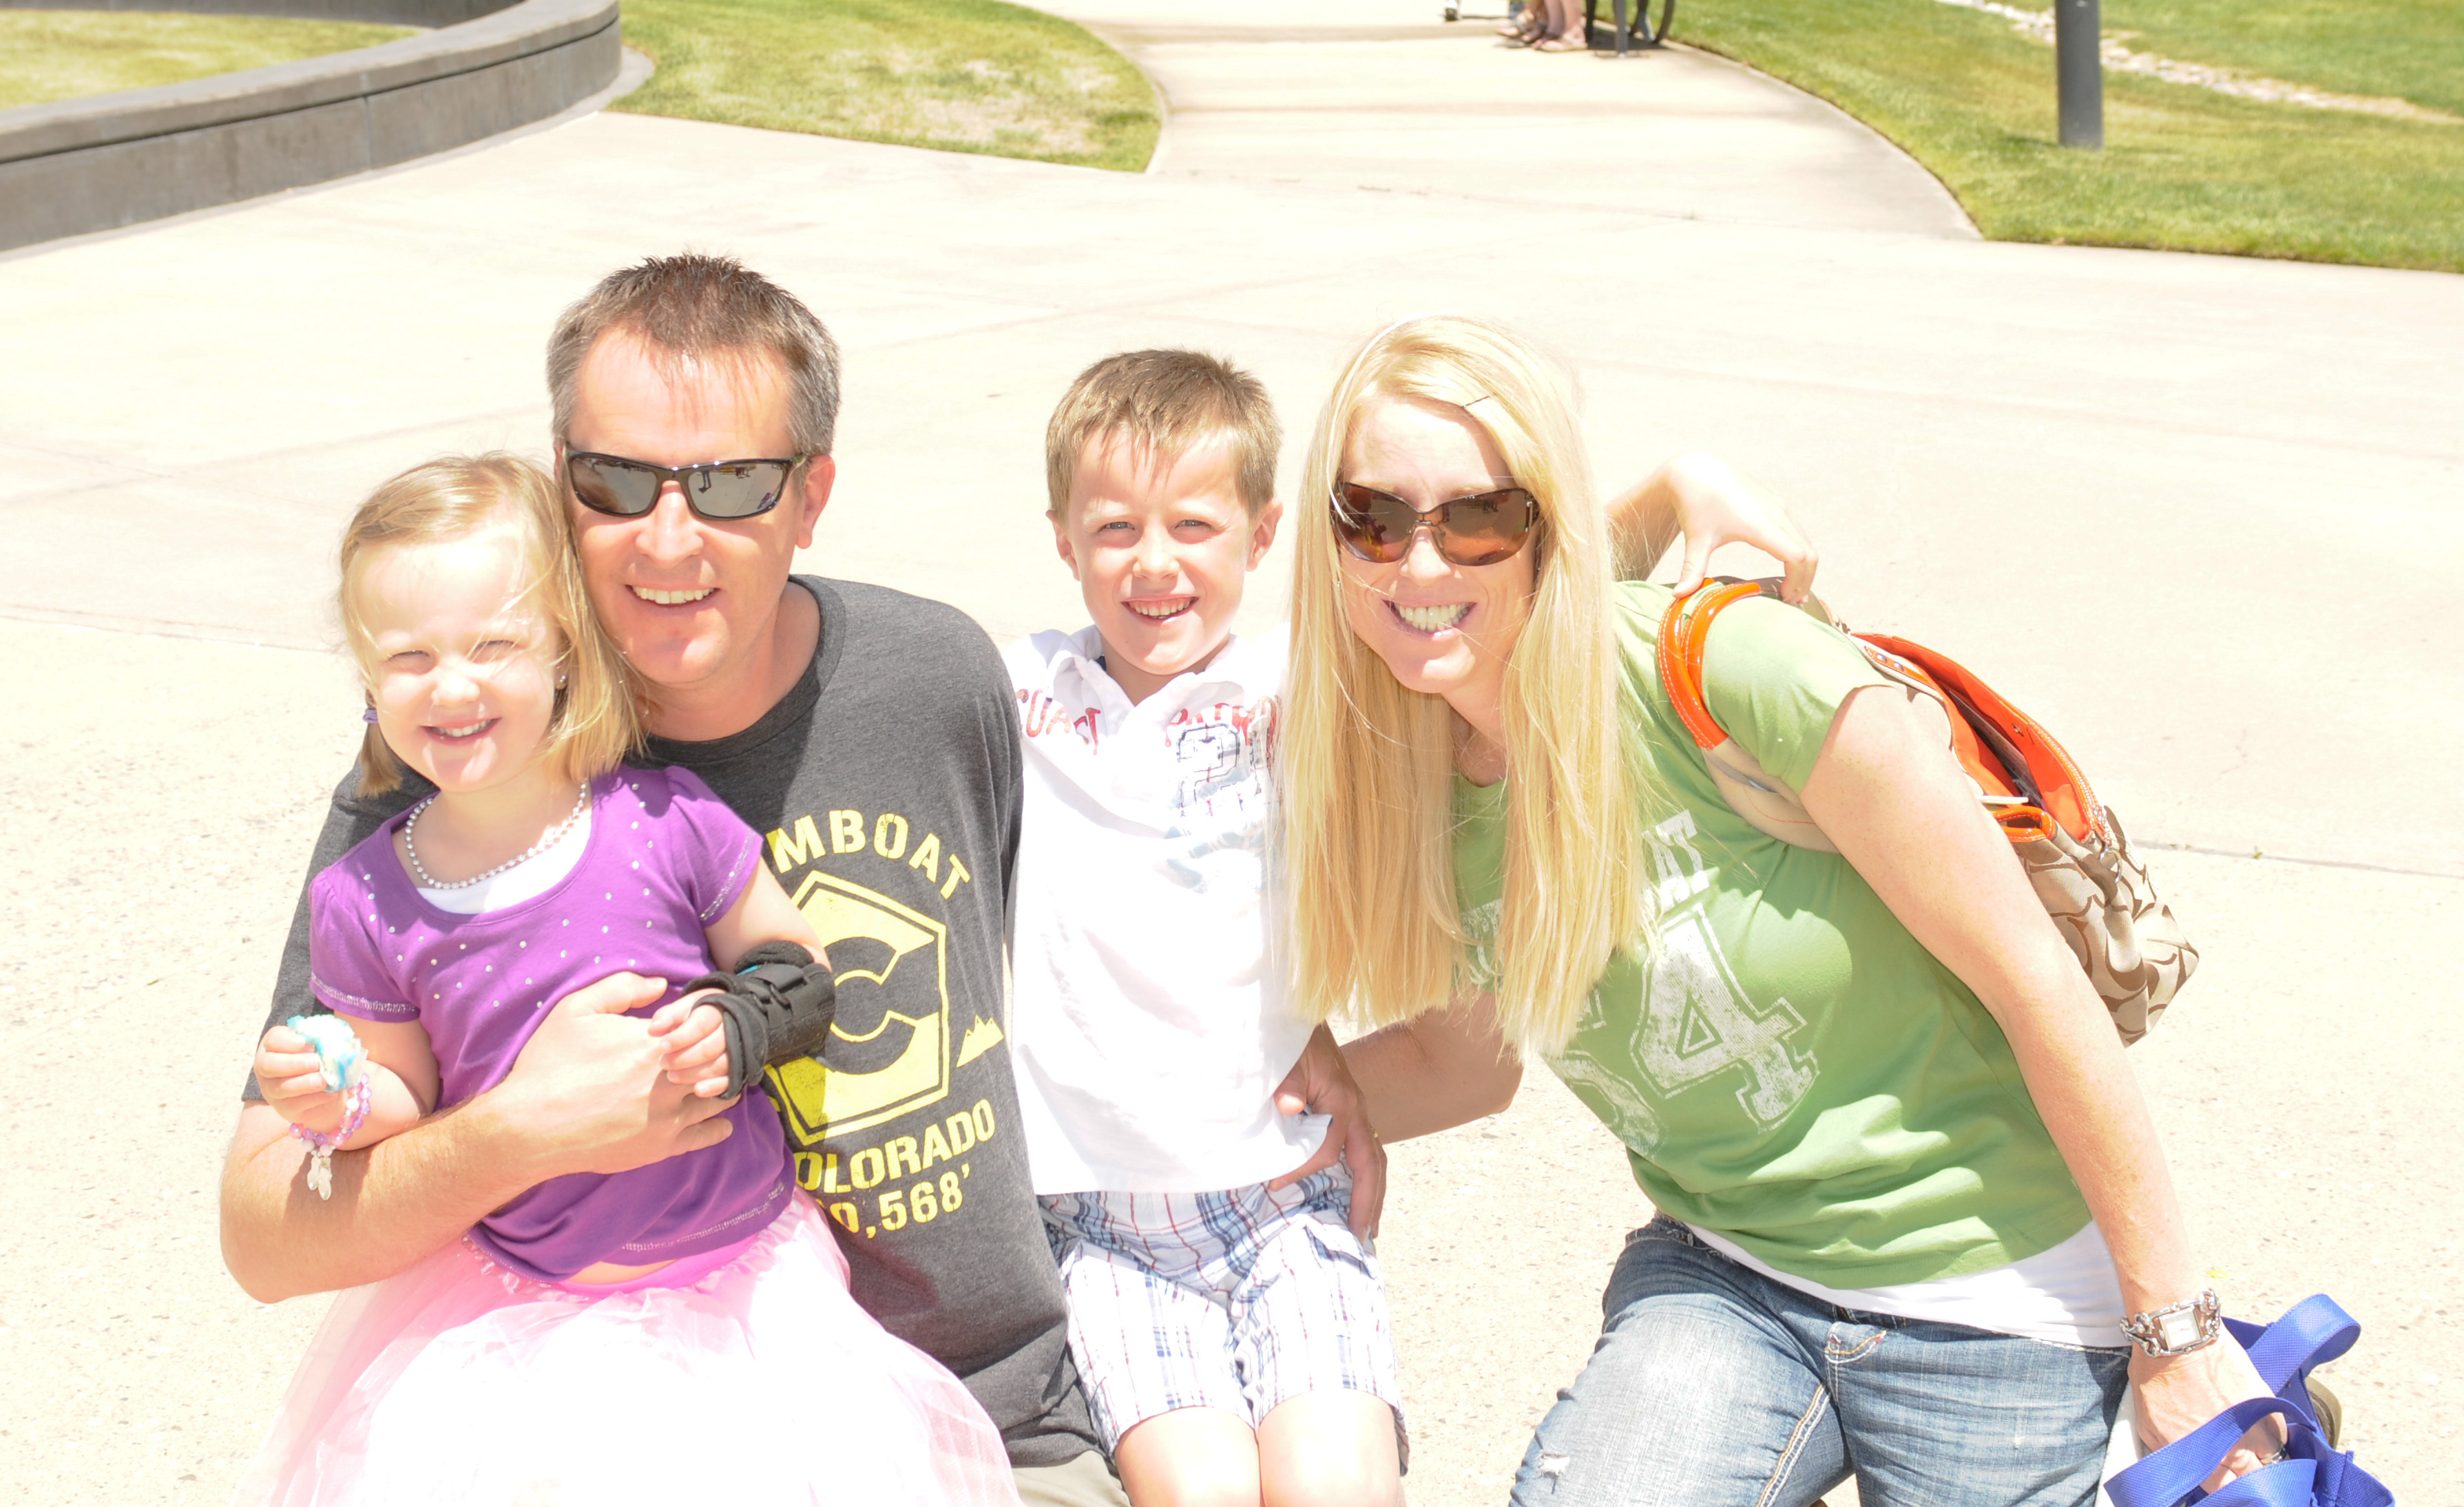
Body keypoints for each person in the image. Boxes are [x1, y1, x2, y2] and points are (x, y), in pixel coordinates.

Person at [1277, 313, 2277, 1506]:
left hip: (1999, 1296)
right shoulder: (1414, 774)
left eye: (1477, 516)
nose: (1420, 566)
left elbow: (2034, 981)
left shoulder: (1734, 671)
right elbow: (1462, 1059)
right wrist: (1262, 1103)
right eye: (1374, 518)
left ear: (1541, 522)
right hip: (1729, 1279)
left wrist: (2179, 1337)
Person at [219, 255, 1140, 1507]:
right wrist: (517, 1130)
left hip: (985, 1422)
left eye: (731, 484)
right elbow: (266, 1232)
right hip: (603, 1435)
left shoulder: (933, 681)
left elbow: (1104, 939)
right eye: (616, 480)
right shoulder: (450, 793)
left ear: (809, 494)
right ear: (562, 486)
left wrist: (1320, 1069)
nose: (668, 538)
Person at [1010, 350, 1406, 1507]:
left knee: (1337, 1485)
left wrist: (1675, 491)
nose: (1154, 562)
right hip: (1101, 1220)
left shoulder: (1304, 684)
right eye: (1114, 527)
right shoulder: (1016, 688)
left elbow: (1503, 628)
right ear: (1062, 537)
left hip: (1282, 1194)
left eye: (1193, 523)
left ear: (1262, 529)